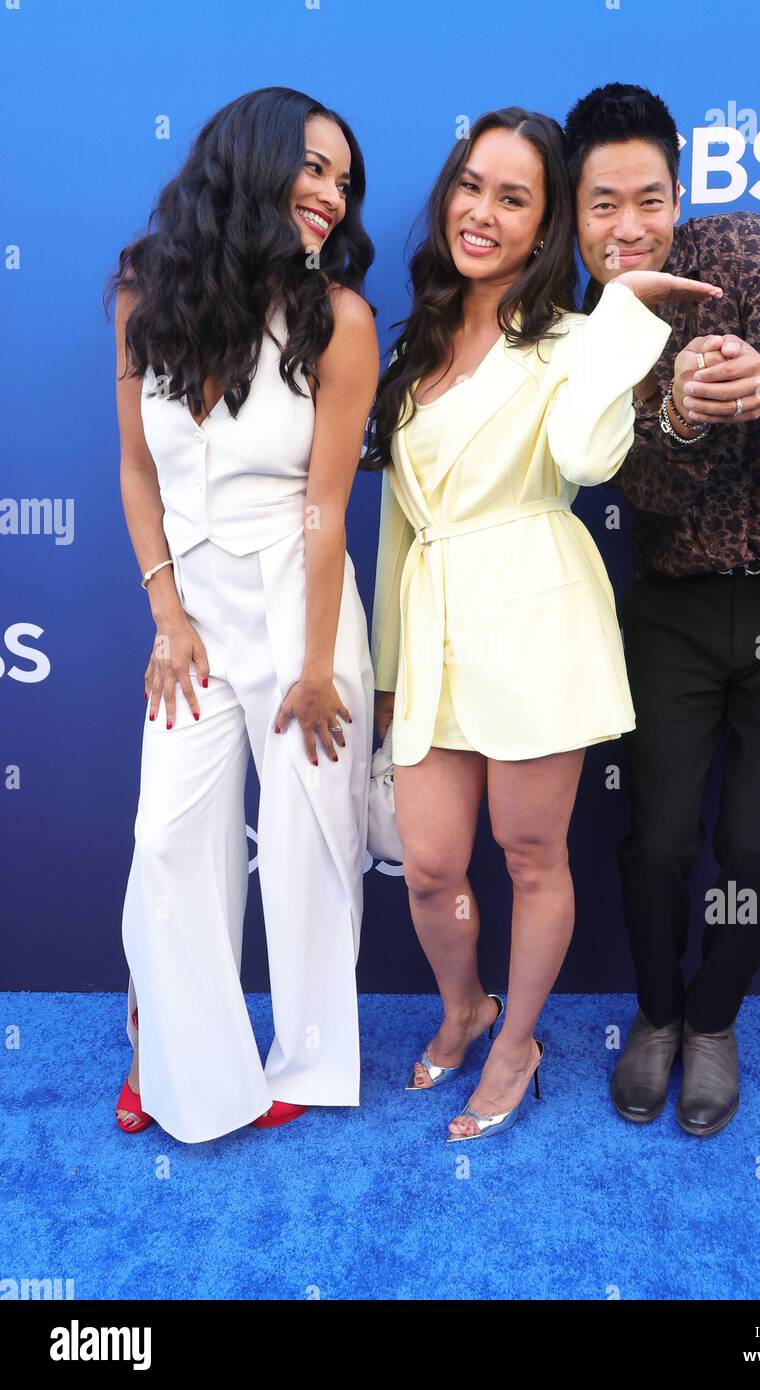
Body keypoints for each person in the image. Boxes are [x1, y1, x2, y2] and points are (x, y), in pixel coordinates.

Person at [366, 107, 718, 1142]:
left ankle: (515, 1039)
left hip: (533, 611)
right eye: (471, 185)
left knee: (529, 855)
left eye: (513, 198)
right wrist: (389, 665)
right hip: (430, 626)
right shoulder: (415, 339)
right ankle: (462, 1005)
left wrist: (619, 321)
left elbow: (584, 457)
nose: (482, 211)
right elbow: (396, 522)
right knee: (430, 862)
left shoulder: (574, 339)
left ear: (543, 225)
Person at [563, 82, 760, 1137]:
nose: (629, 226)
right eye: (602, 205)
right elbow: (635, 490)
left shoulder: (743, 248)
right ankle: (654, 1013)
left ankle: (716, 1022)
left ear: (676, 193)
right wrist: (679, 418)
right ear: (573, 209)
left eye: (648, 198)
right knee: (655, 841)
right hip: (672, 604)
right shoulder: (573, 316)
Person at [105, 87, 378, 1142]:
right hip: (195, 619)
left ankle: (304, 1066)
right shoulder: (145, 296)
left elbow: (325, 506)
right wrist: (167, 620)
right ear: (251, 163)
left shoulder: (338, 320)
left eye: (343, 181)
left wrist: (315, 667)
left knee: (309, 848)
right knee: (167, 839)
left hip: (299, 606)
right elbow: (137, 469)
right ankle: (174, 1057)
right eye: (313, 167)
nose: (329, 195)